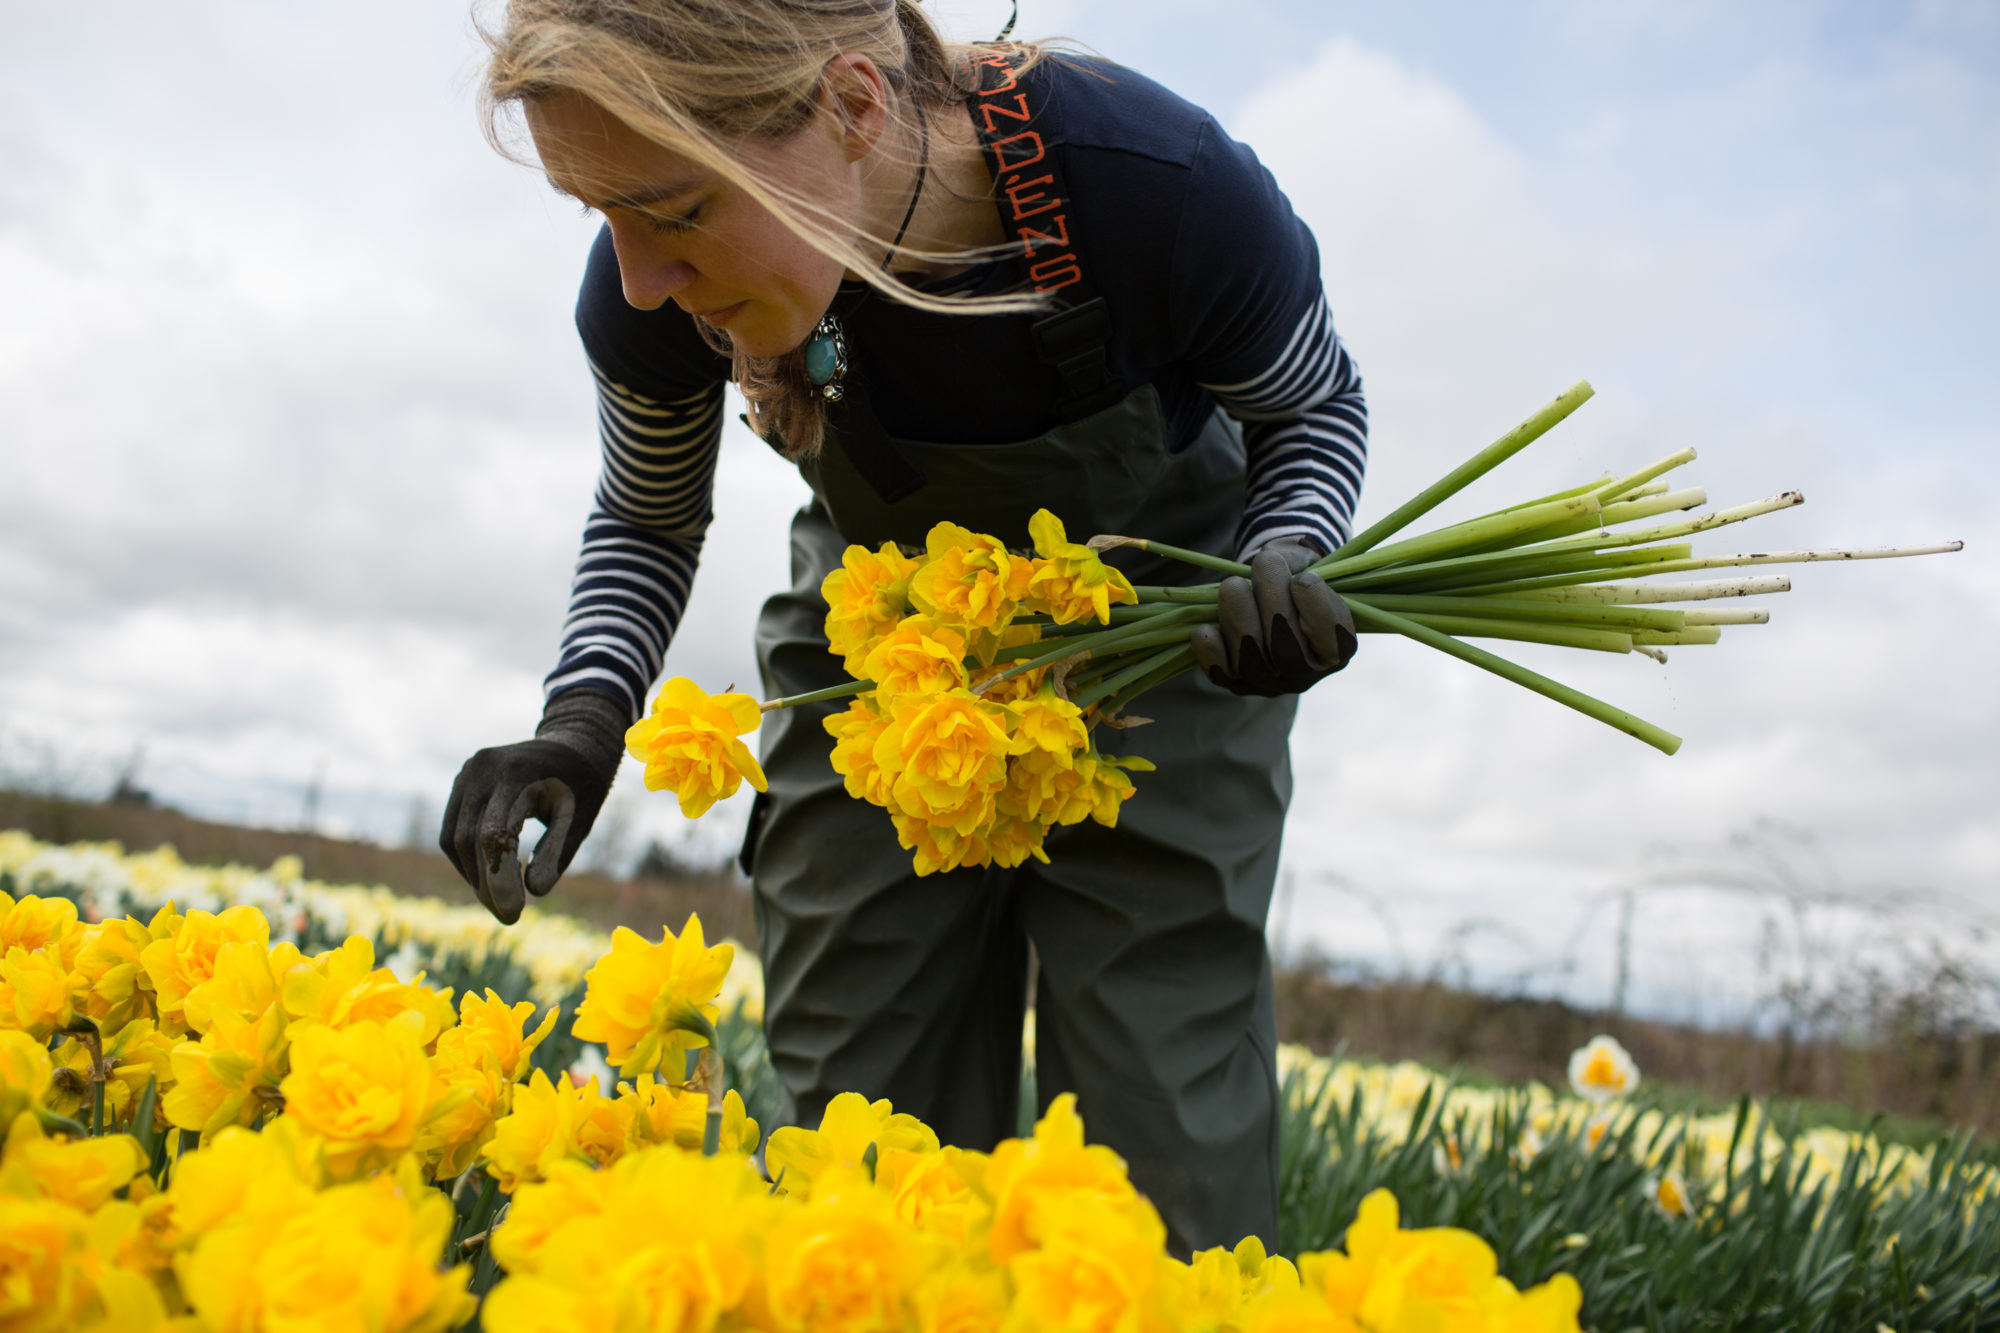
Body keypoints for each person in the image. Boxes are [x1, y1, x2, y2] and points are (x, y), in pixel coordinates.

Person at [440, 0, 1367, 1254]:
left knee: (1165, 1137)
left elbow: (1311, 416)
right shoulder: (642, 293)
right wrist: (580, 723)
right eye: (595, 216)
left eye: (670, 211)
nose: (637, 278)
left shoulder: (1156, 190)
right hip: (874, 652)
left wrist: (1285, 560)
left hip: (1163, 642)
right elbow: (646, 519)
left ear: (854, 109)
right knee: (861, 1126)